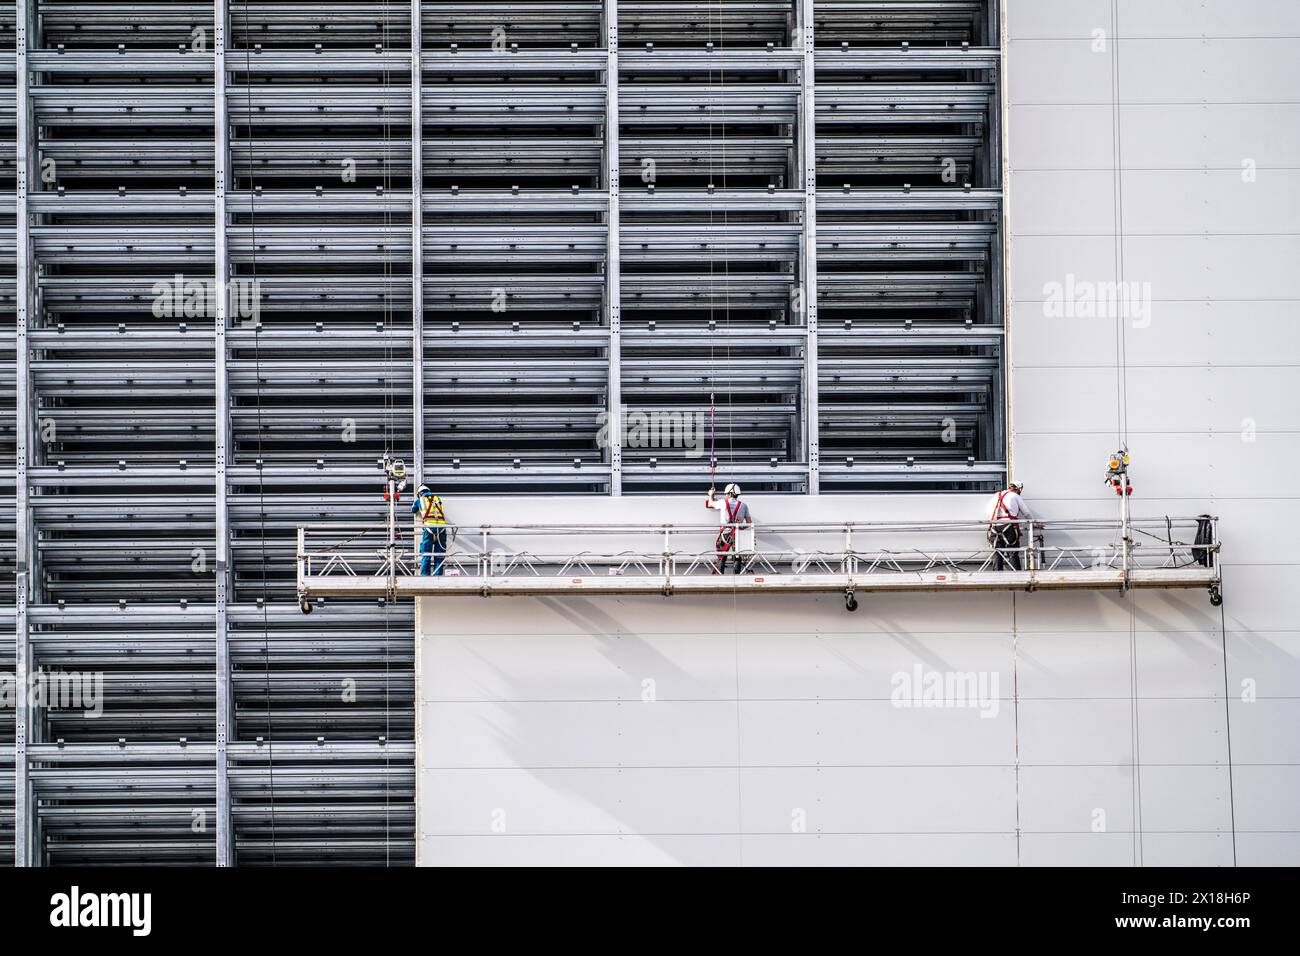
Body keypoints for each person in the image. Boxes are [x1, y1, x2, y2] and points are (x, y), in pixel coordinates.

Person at [706, 483, 753, 574]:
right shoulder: (743, 506)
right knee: (737, 556)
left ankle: (721, 576)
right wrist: (740, 528)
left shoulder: (722, 503)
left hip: (725, 534)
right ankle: (737, 575)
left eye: (726, 494)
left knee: (722, 556)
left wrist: (711, 494)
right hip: (737, 535)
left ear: (730, 493)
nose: (725, 495)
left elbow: (711, 503)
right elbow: (749, 523)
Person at [988, 480, 1034, 571]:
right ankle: (1017, 575)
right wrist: (1034, 523)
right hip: (1008, 526)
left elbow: (989, 512)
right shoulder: (1015, 496)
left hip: (994, 527)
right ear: (1018, 489)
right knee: (1013, 552)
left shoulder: (996, 495)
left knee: (998, 552)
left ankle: (997, 576)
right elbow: (1026, 513)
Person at [412, 484, 448, 576]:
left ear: (420, 493)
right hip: (442, 530)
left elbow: (413, 510)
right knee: (439, 555)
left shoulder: (419, 500)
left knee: (426, 554)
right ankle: (438, 576)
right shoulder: (438, 499)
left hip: (429, 529)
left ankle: (425, 576)